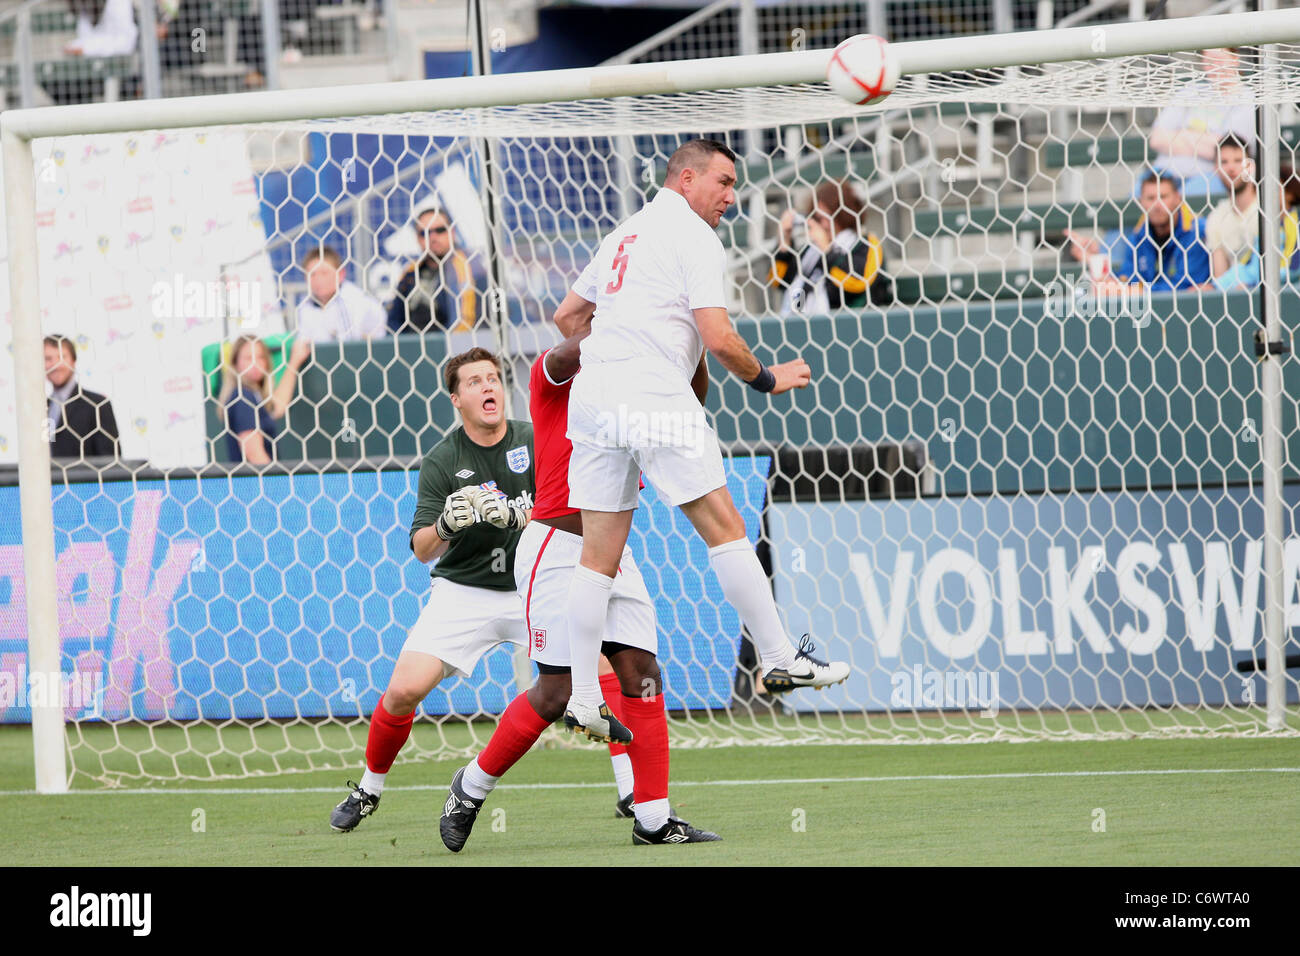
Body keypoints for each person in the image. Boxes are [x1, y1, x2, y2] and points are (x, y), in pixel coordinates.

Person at [559, 138, 850, 742]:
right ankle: (777, 658)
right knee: (726, 527)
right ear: (685, 179)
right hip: (650, 391)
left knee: (598, 558)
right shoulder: (694, 237)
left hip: (593, 397)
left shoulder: (624, 233)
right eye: (722, 181)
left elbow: (567, 318)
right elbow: (716, 336)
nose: (731, 196)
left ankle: (584, 696)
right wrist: (766, 378)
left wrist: (628, 340)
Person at [438, 328, 720, 850]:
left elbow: (688, 402)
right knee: (557, 691)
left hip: (614, 549)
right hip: (557, 549)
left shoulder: (629, 388)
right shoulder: (555, 373)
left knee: (642, 672)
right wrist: (630, 322)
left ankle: (653, 817)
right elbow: (570, 349)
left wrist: (692, 341)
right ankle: (470, 786)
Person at [328, 348, 535, 831]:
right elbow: (422, 549)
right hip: (466, 592)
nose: (489, 387)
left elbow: (567, 503)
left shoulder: (534, 436)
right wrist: (445, 524)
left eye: (494, 379)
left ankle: (634, 795)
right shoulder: (443, 459)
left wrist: (526, 515)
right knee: (402, 690)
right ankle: (368, 790)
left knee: (605, 670)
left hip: (533, 584)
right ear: (456, 399)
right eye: (475, 382)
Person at [1067, 169, 1211, 292]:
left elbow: (1187, 289)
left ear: (1177, 199)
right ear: (1141, 202)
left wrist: (1135, 291)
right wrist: (1094, 256)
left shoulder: (1197, 232)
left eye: (1163, 197)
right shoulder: (1139, 236)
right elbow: (1128, 280)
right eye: (1150, 198)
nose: (1157, 204)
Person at [771, 180, 891, 315]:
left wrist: (827, 251)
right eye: (817, 218)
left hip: (851, 325)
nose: (824, 225)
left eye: (827, 218)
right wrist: (784, 242)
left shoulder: (866, 244)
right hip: (802, 324)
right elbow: (779, 282)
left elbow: (858, 282)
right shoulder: (811, 251)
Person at [1148, 47, 1255, 200]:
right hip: (1164, 172)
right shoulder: (1190, 91)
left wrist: (1182, 135)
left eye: (1217, 60)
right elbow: (1156, 139)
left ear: (1234, 59)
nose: (1213, 67)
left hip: (1210, 176)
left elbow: (1229, 150)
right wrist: (1206, 140)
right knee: (1139, 194)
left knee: (1184, 201)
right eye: (1208, 61)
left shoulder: (1247, 99)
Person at [217, 334, 311, 464]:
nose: (255, 363)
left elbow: (277, 406)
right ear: (235, 363)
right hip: (256, 482)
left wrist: (294, 362)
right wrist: (277, 482)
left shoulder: (254, 395)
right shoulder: (243, 397)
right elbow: (253, 452)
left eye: (260, 357)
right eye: (248, 358)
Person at [386, 207, 478, 334]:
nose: (433, 237)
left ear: (452, 232)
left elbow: (465, 321)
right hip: (409, 347)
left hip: (452, 348)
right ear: (418, 238)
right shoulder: (410, 273)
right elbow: (394, 319)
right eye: (424, 233)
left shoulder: (470, 267)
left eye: (440, 230)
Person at [44, 334, 120, 460]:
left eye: (62, 357)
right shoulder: (43, 408)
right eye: (48, 359)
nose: (55, 364)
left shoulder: (97, 404)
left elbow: (110, 461)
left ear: (73, 361)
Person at [295, 246, 388, 343]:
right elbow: (304, 340)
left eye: (324, 273)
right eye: (312, 274)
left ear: (340, 274)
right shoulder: (306, 303)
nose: (318, 280)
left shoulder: (352, 300)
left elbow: (349, 345)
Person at [1205, 134, 1259, 280]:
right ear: (1216, 168)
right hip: (1234, 296)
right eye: (1224, 162)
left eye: (1238, 161)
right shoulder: (1216, 218)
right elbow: (1220, 277)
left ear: (1250, 165)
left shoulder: (1266, 210)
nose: (1231, 168)